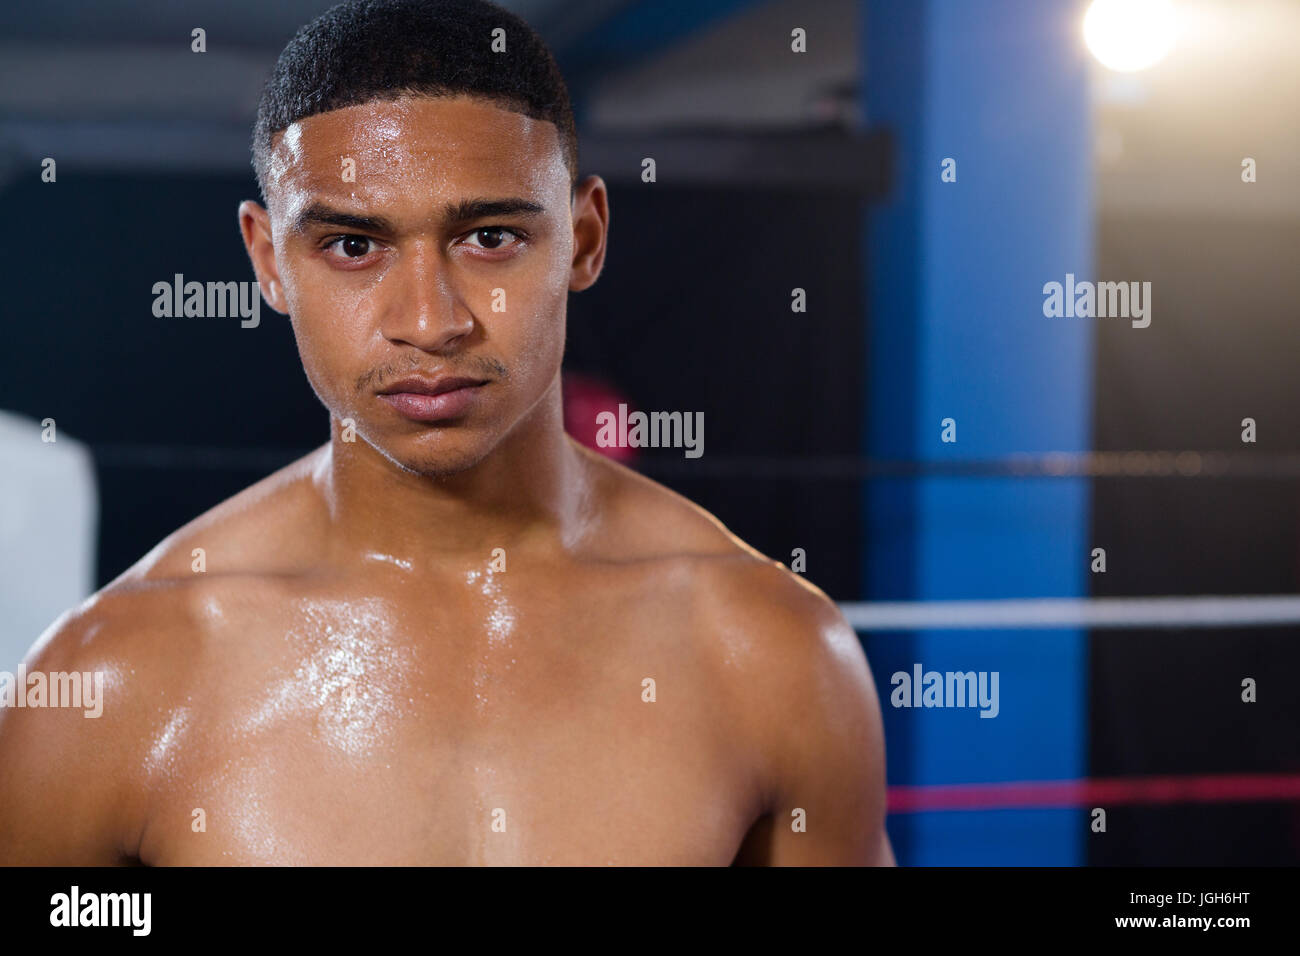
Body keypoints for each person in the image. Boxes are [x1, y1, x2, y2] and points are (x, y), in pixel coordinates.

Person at [0, 0, 892, 865]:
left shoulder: (772, 655)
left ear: (583, 239)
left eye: (490, 236)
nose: (429, 322)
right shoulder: (108, 684)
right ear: (269, 261)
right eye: (353, 246)